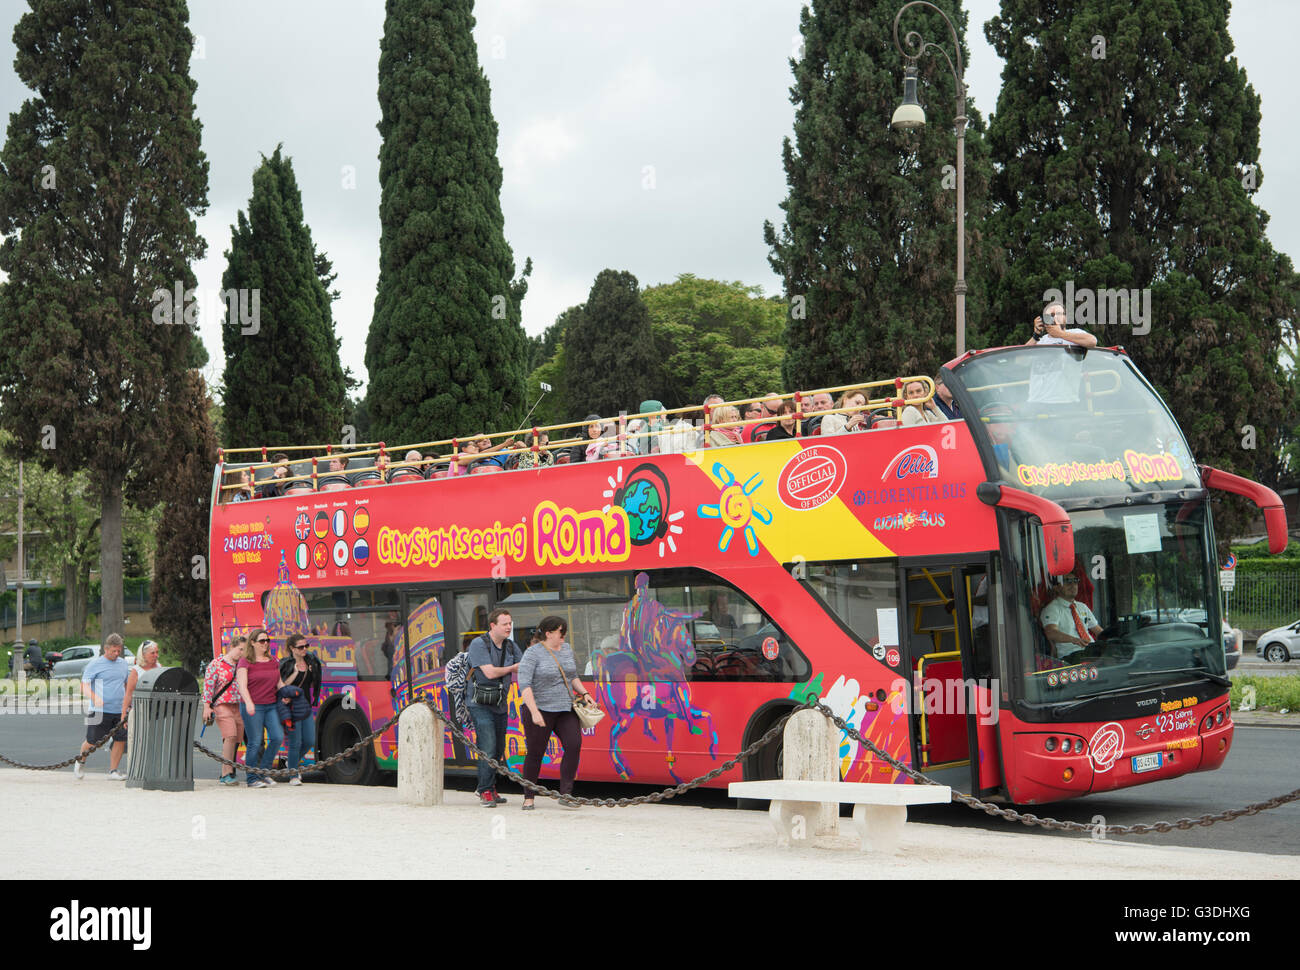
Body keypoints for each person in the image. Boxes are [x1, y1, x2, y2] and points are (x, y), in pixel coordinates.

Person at [517, 615, 594, 810]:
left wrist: (585, 694)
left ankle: (566, 793)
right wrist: (534, 712)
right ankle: (529, 797)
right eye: (561, 632)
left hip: (566, 708)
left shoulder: (566, 649)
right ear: (548, 633)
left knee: (574, 745)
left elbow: (572, 676)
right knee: (535, 752)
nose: (564, 636)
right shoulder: (533, 654)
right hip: (540, 709)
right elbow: (524, 685)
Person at [466, 609, 523, 807]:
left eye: (510, 623)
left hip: (499, 702)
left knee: (499, 748)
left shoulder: (510, 646)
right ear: (493, 625)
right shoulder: (478, 644)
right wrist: (512, 668)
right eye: (505, 623)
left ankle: (491, 787)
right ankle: (484, 791)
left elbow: (524, 665)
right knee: (487, 746)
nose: (509, 627)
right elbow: (489, 673)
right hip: (479, 703)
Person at [75, 634, 131, 780]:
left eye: (119, 651)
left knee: (120, 739)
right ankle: (80, 762)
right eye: (114, 651)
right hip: (99, 710)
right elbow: (84, 686)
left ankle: (113, 771)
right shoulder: (95, 664)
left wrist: (128, 703)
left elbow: (126, 684)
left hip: (119, 710)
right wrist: (95, 698)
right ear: (106, 649)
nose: (117, 654)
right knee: (93, 741)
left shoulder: (123, 664)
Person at [1025, 300, 1098, 405]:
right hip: (1035, 402)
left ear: (1065, 318)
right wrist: (1036, 335)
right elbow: (1021, 361)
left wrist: (1060, 334)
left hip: (1064, 402)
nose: (1054, 318)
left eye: (1058, 314)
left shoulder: (1075, 334)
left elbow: (1092, 341)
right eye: (1050, 315)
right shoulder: (1038, 341)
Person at [236, 627, 284, 788]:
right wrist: (249, 702)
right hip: (253, 706)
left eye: (267, 640)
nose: (265, 643)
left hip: (270, 705)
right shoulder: (245, 662)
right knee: (255, 742)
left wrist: (287, 695)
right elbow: (242, 686)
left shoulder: (273, 661)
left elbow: (279, 683)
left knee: (277, 737)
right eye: (262, 641)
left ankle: (264, 772)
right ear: (253, 643)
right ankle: (252, 778)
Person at [202, 634, 247, 786]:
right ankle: (226, 773)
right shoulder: (217, 664)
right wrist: (207, 706)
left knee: (237, 738)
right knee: (230, 735)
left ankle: (230, 770)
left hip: (236, 705)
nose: (242, 653)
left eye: (245, 650)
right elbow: (208, 686)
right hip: (222, 704)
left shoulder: (241, 665)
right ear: (231, 647)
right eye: (240, 649)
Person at [278, 633, 321, 784]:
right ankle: (293, 776)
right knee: (295, 742)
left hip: (305, 706)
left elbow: (313, 682)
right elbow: (282, 683)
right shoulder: (286, 664)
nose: (305, 649)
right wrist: (295, 672)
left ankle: (292, 762)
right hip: (291, 708)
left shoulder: (311, 661)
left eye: (306, 646)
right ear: (292, 648)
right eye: (301, 647)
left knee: (309, 740)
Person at [1039, 575, 1102, 660]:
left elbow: (1099, 631)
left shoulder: (1082, 606)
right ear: (1057, 587)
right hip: (1070, 656)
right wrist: (1075, 640)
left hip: (1090, 650)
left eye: (1075, 581)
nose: (1072, 585)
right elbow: (1051, 632)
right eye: (1067, 581)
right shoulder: (1052, 608)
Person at [121, 638, 163, 720]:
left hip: (157, 712)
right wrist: (123, 714)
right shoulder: (136, 671)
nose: (156, 655)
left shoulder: (160, 667)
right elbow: (129, 694)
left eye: (157, 652)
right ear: (143, 655)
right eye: (152, 653)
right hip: (139, 712)